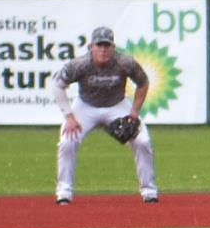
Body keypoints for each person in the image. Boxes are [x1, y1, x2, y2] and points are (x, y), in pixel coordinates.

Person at [51, 25, 157, 204]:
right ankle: (64, 192)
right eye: (99, 45)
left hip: (117, 105)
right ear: (91, 47)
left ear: (113, 47)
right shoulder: (79, 64)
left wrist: (134, 113)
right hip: (85, 106)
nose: (103, 49)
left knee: (142, 141)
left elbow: (143, 82)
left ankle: (149, 191)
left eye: (107, 45)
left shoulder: (125, 62)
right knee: (67, 142)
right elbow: (57, 85)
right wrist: (69, 117)